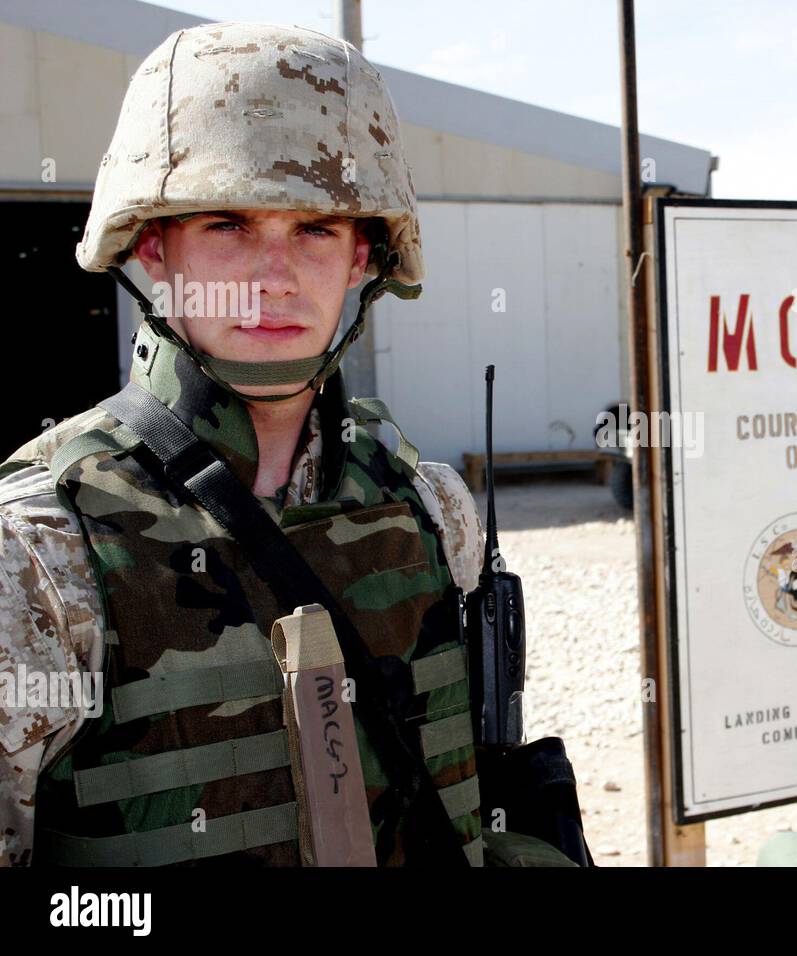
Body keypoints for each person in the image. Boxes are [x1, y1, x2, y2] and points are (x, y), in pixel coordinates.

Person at [0, 21, 573, 868]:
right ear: (154, 247)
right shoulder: (42, 547)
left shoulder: (429, 503)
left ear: (362, 258)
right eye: (228, 224)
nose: (274, 276)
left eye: (316, 229)